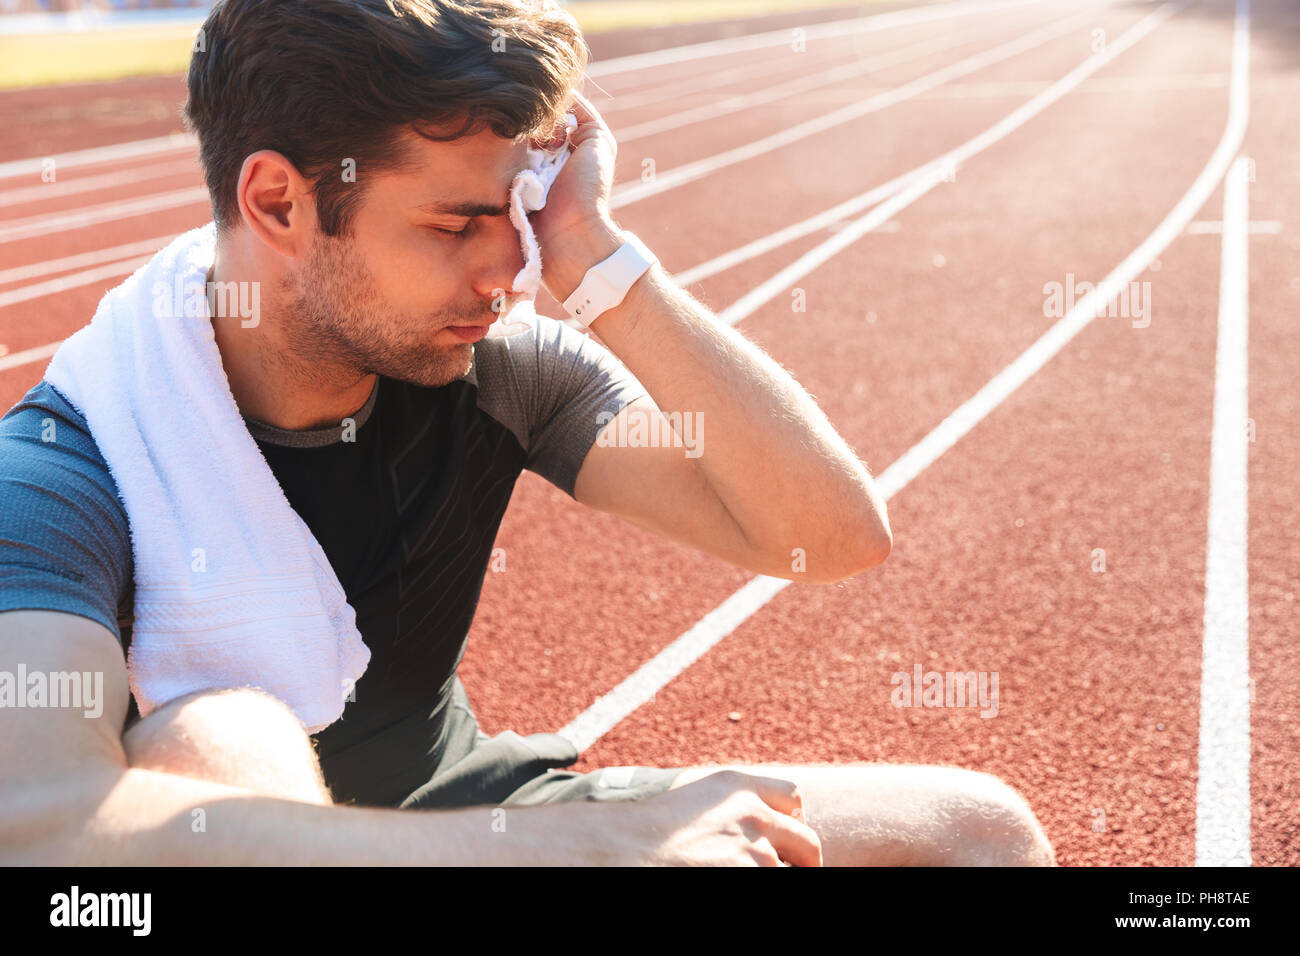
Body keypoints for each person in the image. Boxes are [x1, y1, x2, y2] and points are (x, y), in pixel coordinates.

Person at [0, 0, 1052, 866]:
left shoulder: (497, 370)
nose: (508, 273)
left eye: (523, 210)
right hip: (291, 836)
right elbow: (45, 827)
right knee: (223, 734)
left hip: (485, 817)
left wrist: (601, 260)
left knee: (978, 833)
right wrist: (590, 846)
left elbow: (826, 535)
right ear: (280, 201)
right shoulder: (59, 477)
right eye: (458, 224)